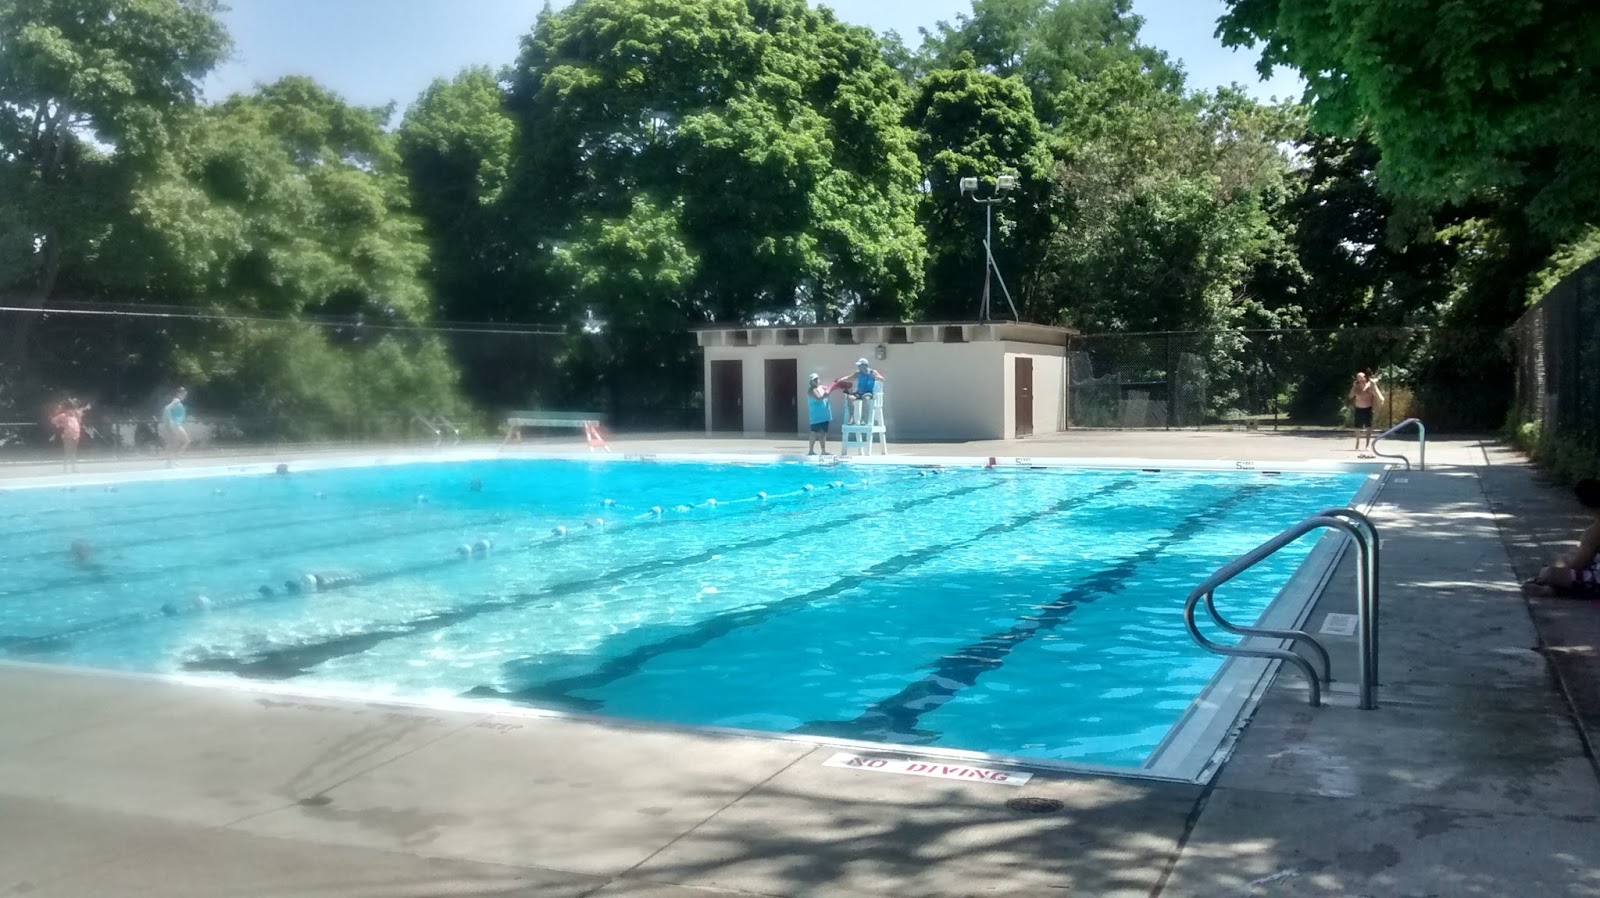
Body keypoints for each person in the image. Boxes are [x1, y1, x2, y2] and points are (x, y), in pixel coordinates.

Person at [1524, 479, 1600, 598]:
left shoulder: (1594, 532)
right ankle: (1553, 588)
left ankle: (1552, 589)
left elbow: (1578, 564)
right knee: (1566, 559)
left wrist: (1562, 566)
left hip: (1596, 581)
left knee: (1549, 573)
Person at [837, 358, 886, 425]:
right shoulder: (858, 373)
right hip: (859, 393)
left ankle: (863, 419)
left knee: (866, 398)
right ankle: (852, 417)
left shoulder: (872, 372)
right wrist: (840, 380)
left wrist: (877, 377)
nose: (859, 367)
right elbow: (849, 377)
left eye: (860, 365)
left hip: (868, 392)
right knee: (850, 398)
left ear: (865, 365)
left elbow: (882, 379)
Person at [1348, 369, 1384, 457]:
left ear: (1364, 378)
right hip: (1359, 408)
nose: (1359, 379)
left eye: (1361, 377)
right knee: (1357, 427)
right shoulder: (1356, 387)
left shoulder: (1369, 386)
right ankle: (1357, 442)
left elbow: (1375, 390)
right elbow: (1350, 396)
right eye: (1358, 378)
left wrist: (1374, 384)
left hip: (1368, 408)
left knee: (1368, 427)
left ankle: (1367, 444)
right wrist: (1353, 386)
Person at [50, 398, 90, 473]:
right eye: (71, 409)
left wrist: (79, 416)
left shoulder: (75, 416)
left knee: (73, 453)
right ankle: (66, 468)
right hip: (68, 436)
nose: (72, 411)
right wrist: (60, 424)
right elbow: (53, 420)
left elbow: (79, 423)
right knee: (68, 453)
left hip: (76, 436)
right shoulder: (64, 416)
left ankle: (73, 468)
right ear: (68, 409)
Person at [805, 373, 832, 455]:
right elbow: (818, 397)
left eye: (817, 379)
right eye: (814, 380)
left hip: (824, 415)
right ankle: (811, 451)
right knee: (814, 432)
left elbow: (829, 388)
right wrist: (826, 395)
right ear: (811, 382)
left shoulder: (821, 387)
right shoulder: (811, 390)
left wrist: (836, 384)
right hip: (816, 416)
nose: (816, 381)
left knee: (823, 433)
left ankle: (823, 451)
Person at [163, 387, 190, 464]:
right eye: (184, 395)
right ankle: (176, 459)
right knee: (186, 441)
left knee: (175, 443)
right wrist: (170, 420)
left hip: (175, 425)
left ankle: (169, 461)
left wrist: (169, 422)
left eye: (185, 395)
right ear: (178, 394)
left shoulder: (177, 401)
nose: (185, 396)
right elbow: (167, 408)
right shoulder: (177, 400)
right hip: (176, 425)